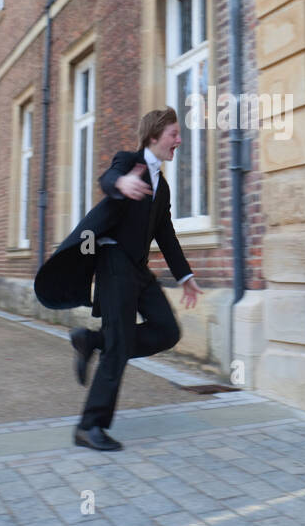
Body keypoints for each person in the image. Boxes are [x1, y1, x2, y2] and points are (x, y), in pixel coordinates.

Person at [35, 108, 202, 451]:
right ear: (154, 136)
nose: (179, 140)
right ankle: (89, 427)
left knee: (167, 331)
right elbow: (108, 179)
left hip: (138, 269)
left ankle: (93, 341)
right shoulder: (129, 161)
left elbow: (166, 235)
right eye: (174, 133)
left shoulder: (163, 187)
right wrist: (121, 183)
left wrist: (185, 275)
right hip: (113, 265)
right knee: (121, 344)